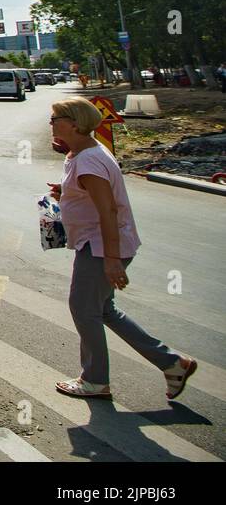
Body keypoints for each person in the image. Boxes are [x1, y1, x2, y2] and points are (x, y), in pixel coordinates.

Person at [47, 98, 197, 400]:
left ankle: (95, 381)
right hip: (100, 243)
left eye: (55, 118)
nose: (50, 122)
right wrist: (68, 191)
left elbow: (108, 211)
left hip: (101, 246)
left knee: (83, 309)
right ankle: (172, 363)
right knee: (104, 310)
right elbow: (93, 193)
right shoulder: (83, 152)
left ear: (74, 124)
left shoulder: (88, 161)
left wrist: (111, 259)